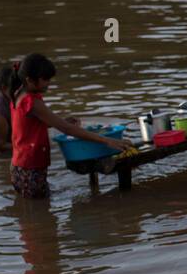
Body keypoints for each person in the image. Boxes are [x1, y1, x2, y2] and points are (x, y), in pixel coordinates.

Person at [7, 53, 128, 199]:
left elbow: (29, 127)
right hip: (30, 169)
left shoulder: (18, 94)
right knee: (38, 215)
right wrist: (107, 140)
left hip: (19, 166)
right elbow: (67, 129)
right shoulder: (32, 102)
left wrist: (62, 120)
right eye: (45, 80)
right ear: (29, 80)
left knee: (35, 213)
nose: (48, 83)